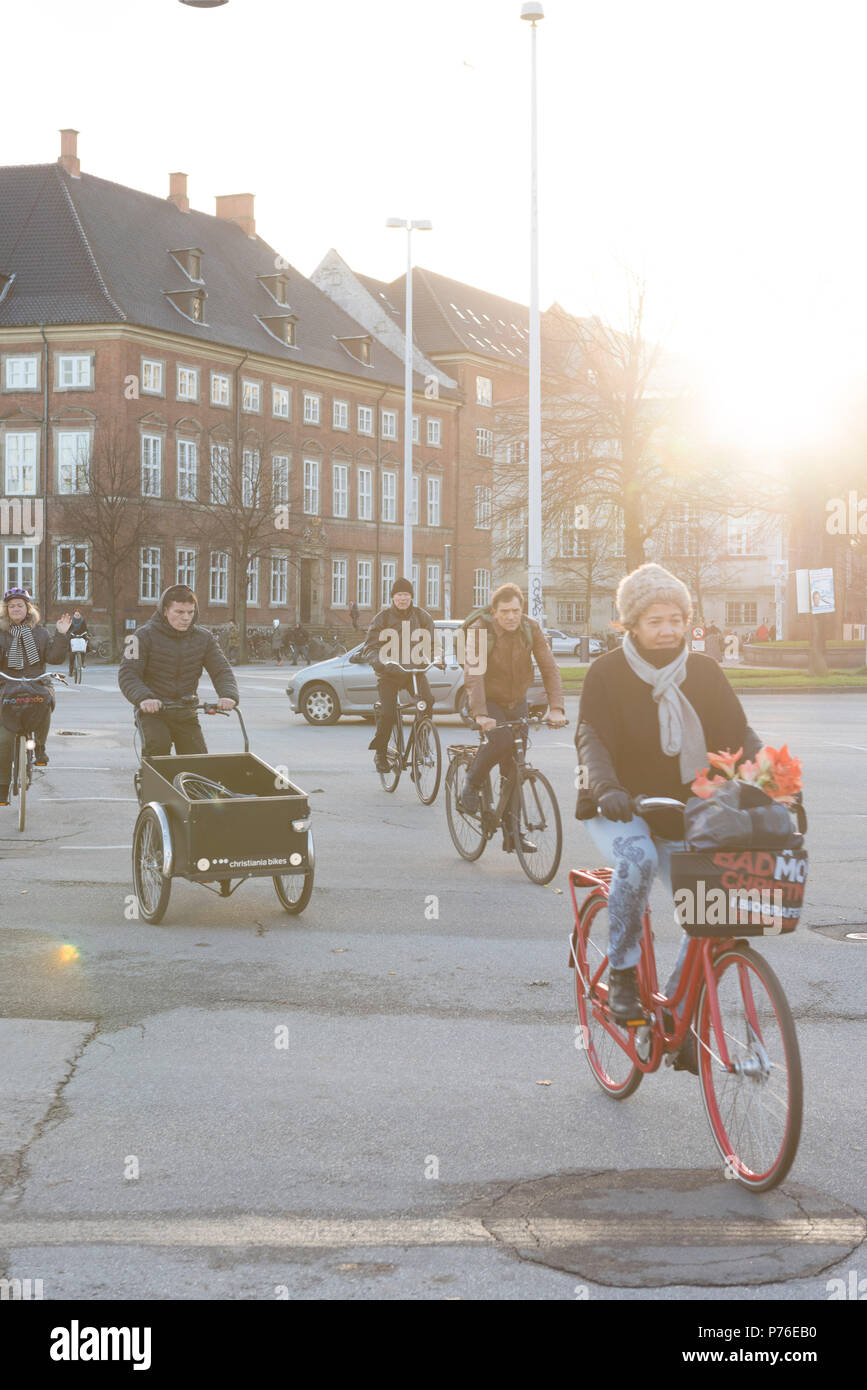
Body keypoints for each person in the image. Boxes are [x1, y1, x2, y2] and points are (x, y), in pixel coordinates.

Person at [574, 563, 763, 1052]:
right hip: (620, 806)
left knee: (712, 909)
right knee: (637, 860)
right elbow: (591, 736)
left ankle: (679, 1010)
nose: (668, 630)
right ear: (630, 624)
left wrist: (772, 782)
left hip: (686, 810)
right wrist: (606, 787)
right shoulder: (607, 673)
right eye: (655, 620)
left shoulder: (703, 671)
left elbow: (738, 736)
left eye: (676, 618)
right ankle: (621, 972)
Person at [458, 584, 567, 841]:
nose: (511, 616)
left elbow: (550, 669)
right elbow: (473, 674)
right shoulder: (480, 631)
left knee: (514, 767)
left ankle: (512, 832)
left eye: (516, 611)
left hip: (517, 700)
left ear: (522, 610)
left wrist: (556, 708)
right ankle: (472, 782)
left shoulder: (531, 629)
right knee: (502, 740)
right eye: (504, 611)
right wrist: (481, 714)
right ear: (494, 612)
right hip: (490, 700)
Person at [118, 584, 238, 756]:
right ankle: (152, 781)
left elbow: (221, 670)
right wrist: (144, 698)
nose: (186, 618)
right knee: (158, 747)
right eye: (179, 612)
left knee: (197, 758)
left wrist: (228, 694)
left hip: (185, 711)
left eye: (190, 612)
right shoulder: (141, 636)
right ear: (165, 611)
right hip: (153, 711)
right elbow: (128, 674)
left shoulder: (204, 638)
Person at [0, 588, 72, 805]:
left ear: (27, 609)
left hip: (36, 682)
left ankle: (39, 746)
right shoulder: (1, 632)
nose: (15, 609)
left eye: (19, 605)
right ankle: (2, 788)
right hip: (7, 684)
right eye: (11, 606)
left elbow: (55, 658)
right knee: (3, 740)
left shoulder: (40, 632)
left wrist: (61, 635)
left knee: (45, 701)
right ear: (6, 610)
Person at [362, 578, 435, 773]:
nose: (403, 599)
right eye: (399, 595)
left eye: (406, 595)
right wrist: (380, 663)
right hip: (390, 673)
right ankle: (380, 752)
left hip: (414, 672)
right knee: (388, 714)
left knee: (427, 701)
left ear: (412, 597)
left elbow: (433, 644)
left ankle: (422, 746)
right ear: (393, 597)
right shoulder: (382, 618)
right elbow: (370, 647)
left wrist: (437, 657)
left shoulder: (422, 617)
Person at [67, 608, 89, 675]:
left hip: (81, 636)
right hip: (73, 636)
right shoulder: (71, 621)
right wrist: (69, 633)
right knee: (72, 654)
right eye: (75, 615)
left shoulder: (83, 621)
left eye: (78, 615)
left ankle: (82, 662)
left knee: (84, 647)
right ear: (73, 615)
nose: (77, 616)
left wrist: (86, 634)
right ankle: (70, 671)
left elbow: (85, 629)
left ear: (80, 615)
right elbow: (68, 629)